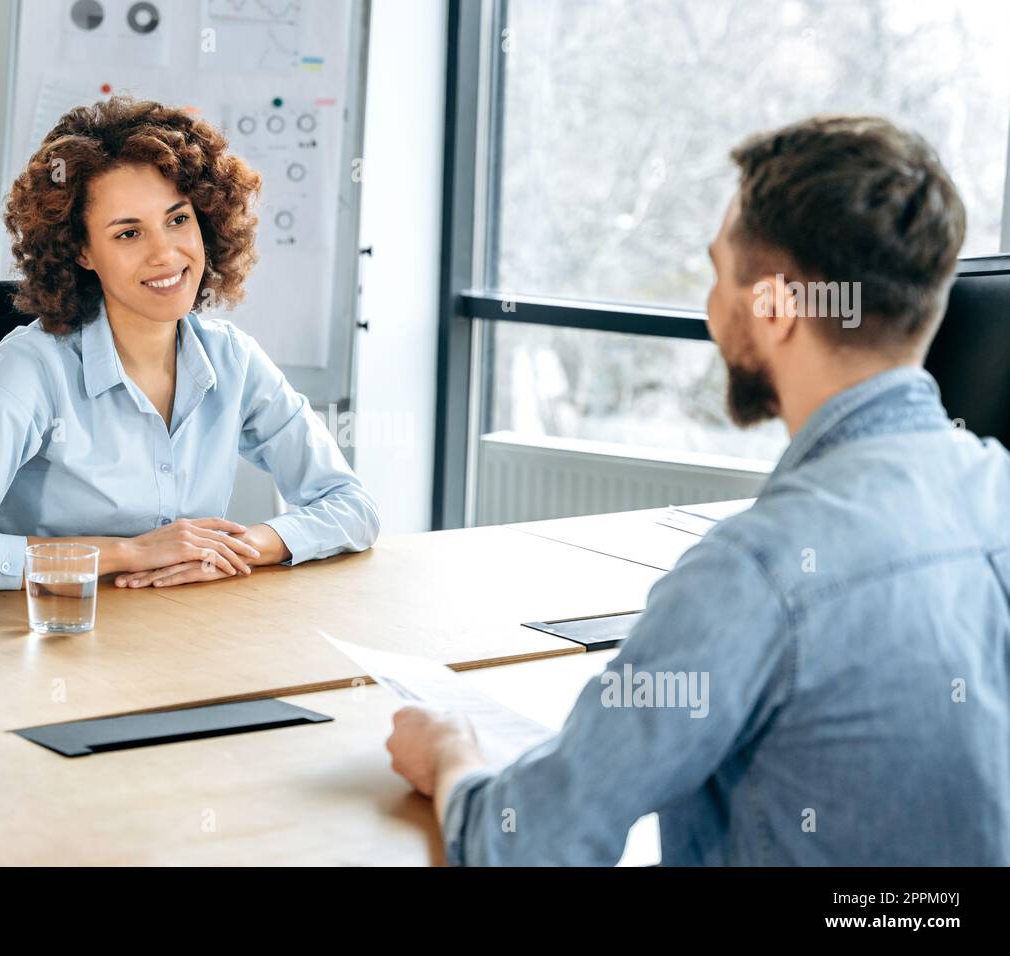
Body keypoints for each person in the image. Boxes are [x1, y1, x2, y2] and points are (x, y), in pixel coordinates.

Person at [387, 115, 1010, 865]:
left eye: (721, 275)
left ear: (776, 308)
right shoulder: (996, 491)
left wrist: (452, 754)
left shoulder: (755, 571)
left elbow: (530, 844)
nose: (713, 309)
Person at [0, 96, 378, 595]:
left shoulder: (232, 359)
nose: (165, 254)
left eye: (177, 220)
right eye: (128, 233)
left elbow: (352, 506)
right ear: (81, 250)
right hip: (57, 642)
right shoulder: (33, 368)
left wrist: (241, 547)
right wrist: (128, 551)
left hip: (183, 637)